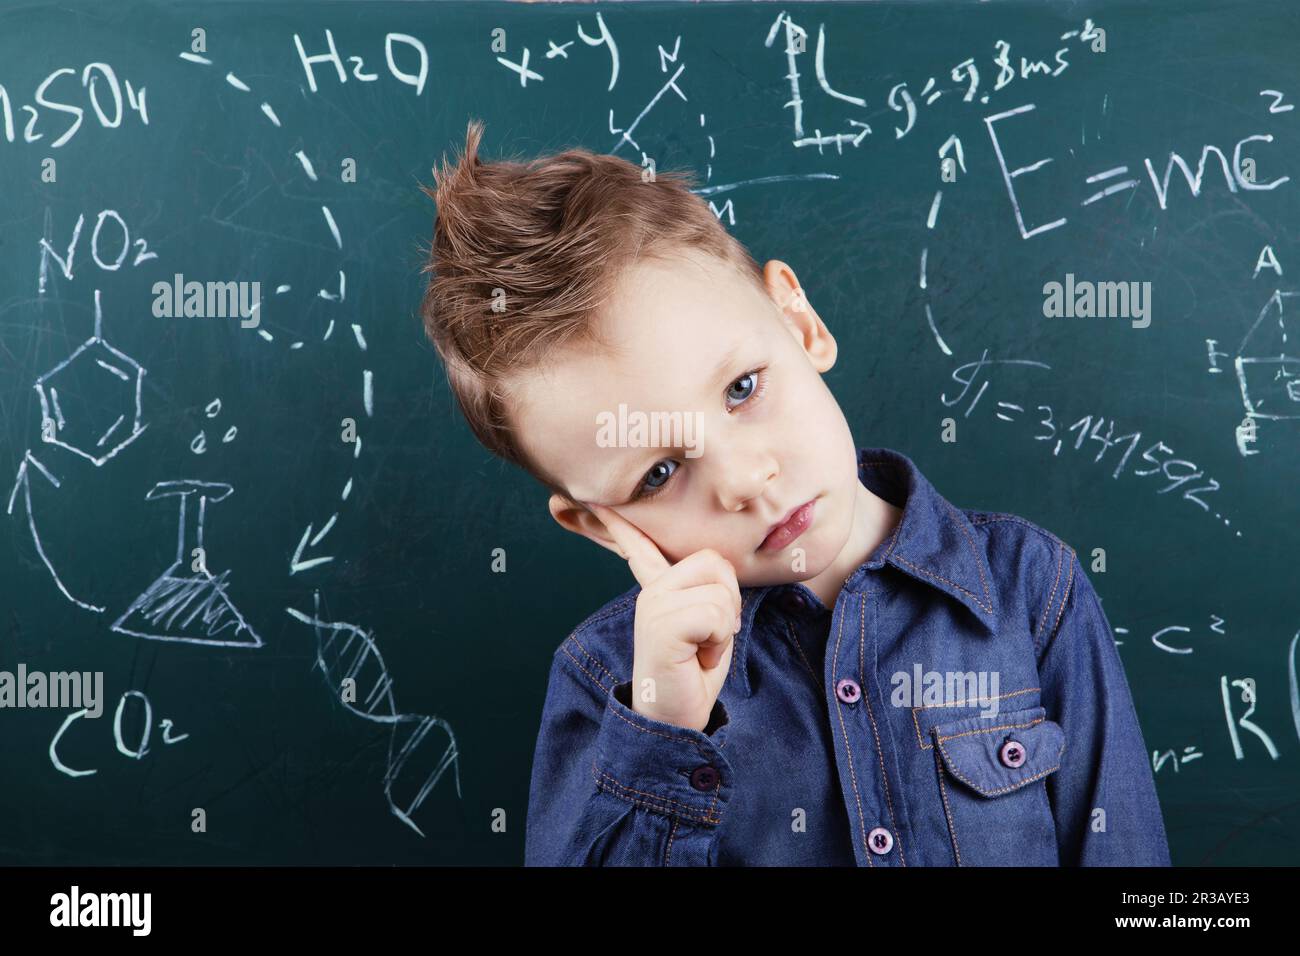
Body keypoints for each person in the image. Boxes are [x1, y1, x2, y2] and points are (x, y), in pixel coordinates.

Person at [418, 119, 1170, 867]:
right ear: (597, 523)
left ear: (799, 320)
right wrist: (665, 729)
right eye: (659, 473)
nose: (746, 480)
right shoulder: (608, 683)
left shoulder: (1032, 592)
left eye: (742, 388)